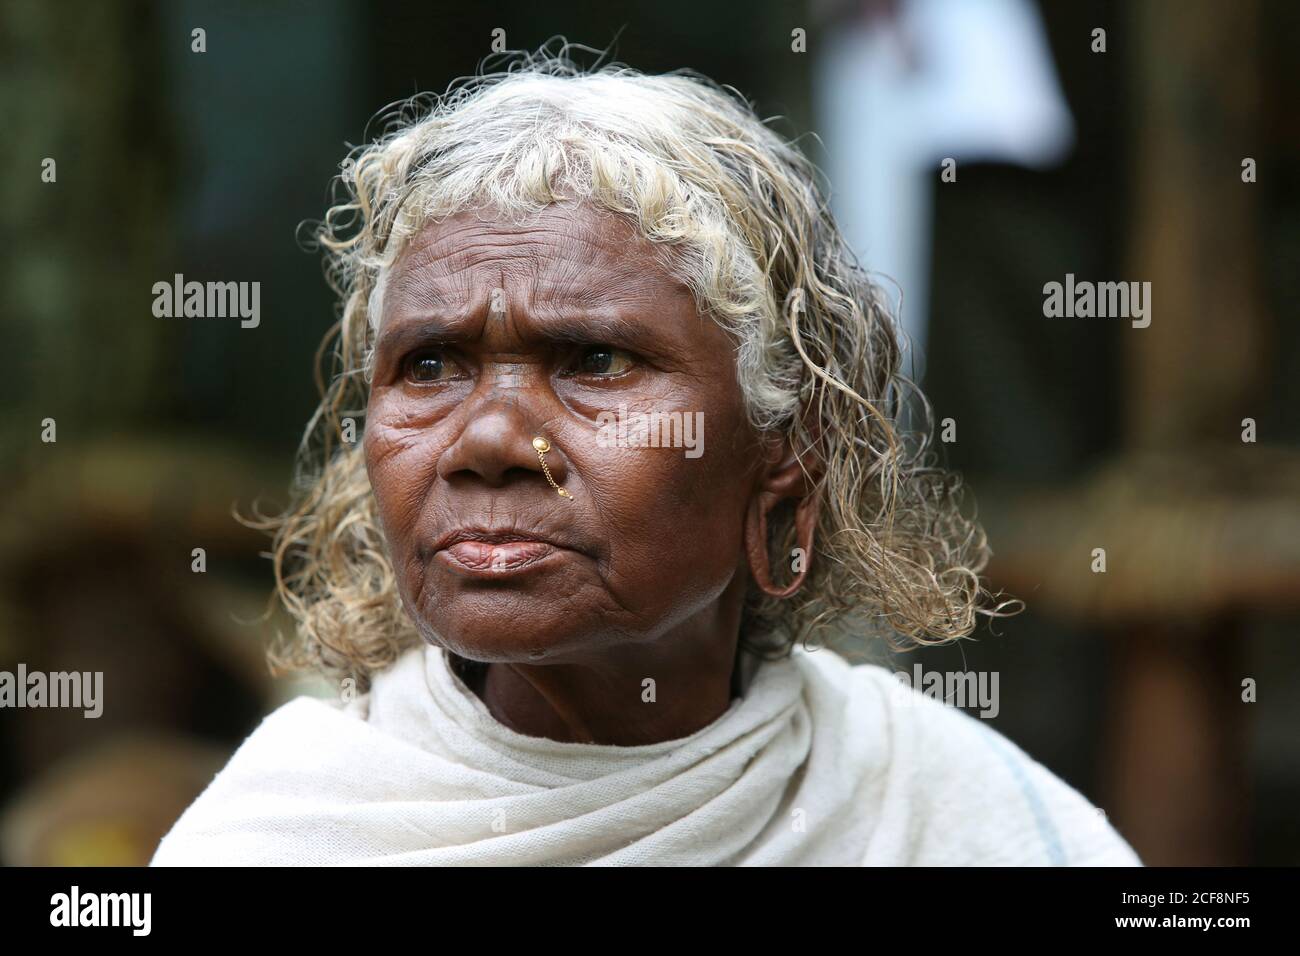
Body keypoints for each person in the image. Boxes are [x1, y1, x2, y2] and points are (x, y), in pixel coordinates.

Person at [151, 43, 1140, 866]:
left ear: (786, 445)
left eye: (594, 360)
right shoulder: (279, 838)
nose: (489, 440)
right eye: (432, 364)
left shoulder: (952, 818)